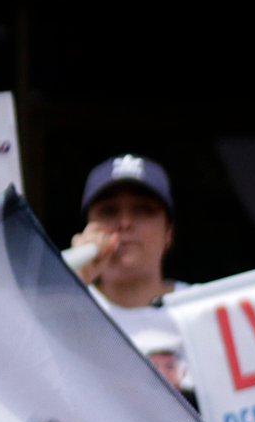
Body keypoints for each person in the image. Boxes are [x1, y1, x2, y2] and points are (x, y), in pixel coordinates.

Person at [67, 155, 187, 380]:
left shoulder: (208, 309)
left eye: (142, 210)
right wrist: (71, 283)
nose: (125, 223)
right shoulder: (60, 308)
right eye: (109, 211)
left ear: (168, 233)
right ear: (86, 229)